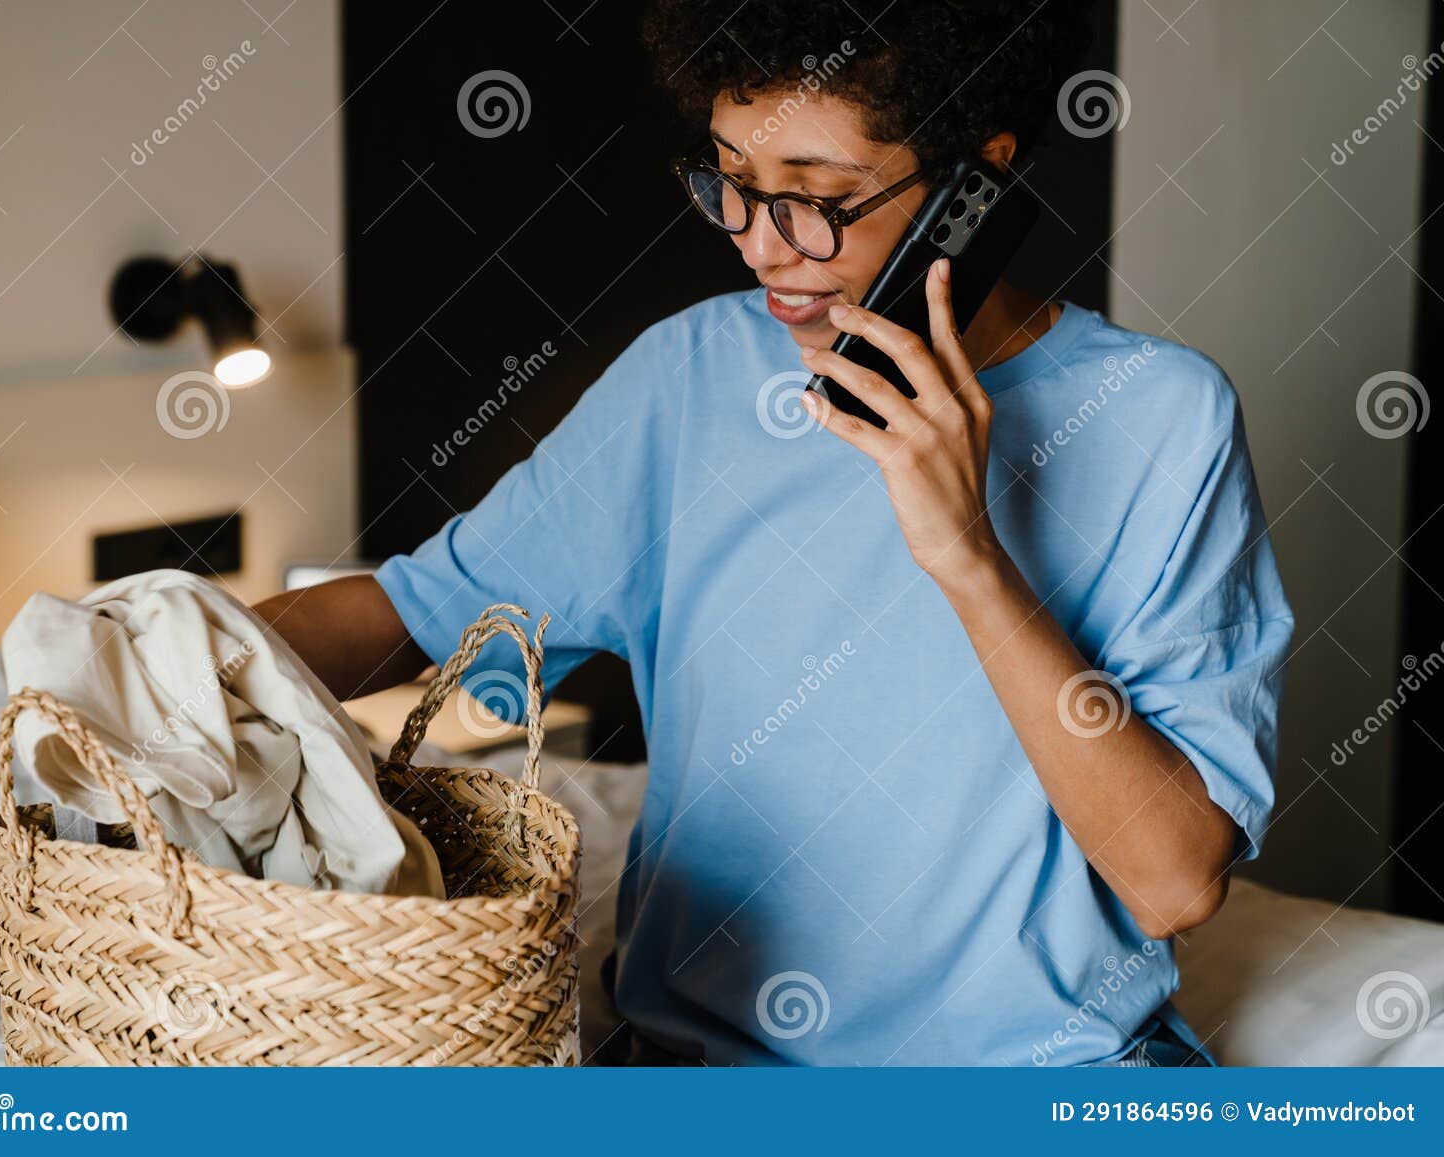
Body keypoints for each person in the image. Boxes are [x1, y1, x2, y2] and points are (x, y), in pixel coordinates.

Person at [255, 0, 1294, 1066]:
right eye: (731, 186)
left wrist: (967, 556)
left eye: (816, 199)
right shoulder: (688, 376)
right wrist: (133, 650)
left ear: (973, 182)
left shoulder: (1160, 414)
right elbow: (412, 611)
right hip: (704, 1066)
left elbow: (1171, 880)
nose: (759, 244)